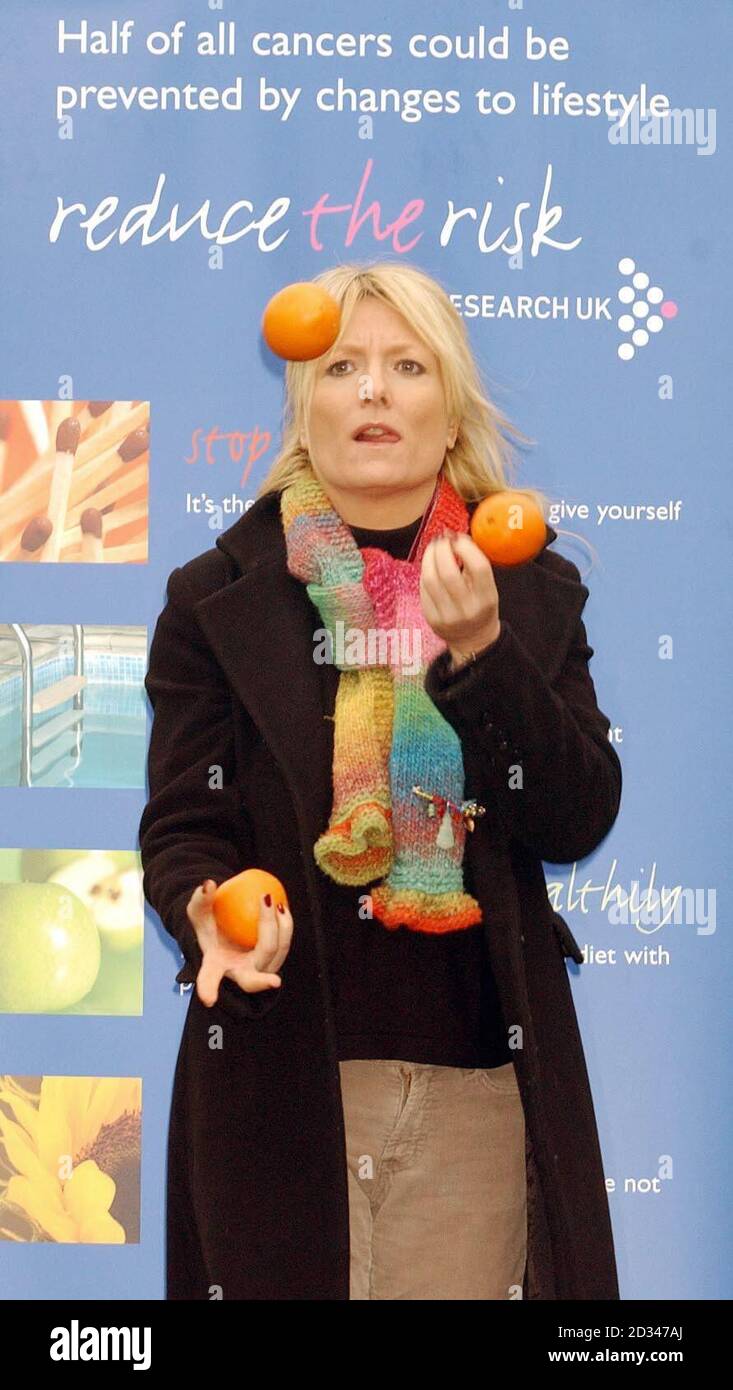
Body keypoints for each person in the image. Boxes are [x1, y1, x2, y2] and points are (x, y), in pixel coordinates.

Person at [138, 260, 622, 1301]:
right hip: (278, 1089)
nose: (371, 389)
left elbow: (576, 811)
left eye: (406, 366)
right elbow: (186, 820)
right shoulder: (215, 599)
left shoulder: (527, 590)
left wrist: (485, 656)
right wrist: (204, 911)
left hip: (474, 1097)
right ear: (304, 408)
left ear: (447, 414)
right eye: (342, 366)